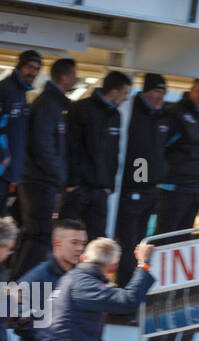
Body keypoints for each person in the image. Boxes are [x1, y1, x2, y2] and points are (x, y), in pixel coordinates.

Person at [24, 237, 153, 341]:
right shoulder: (84, 284)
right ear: (113, 268)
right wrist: (144, 265)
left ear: (83, 257)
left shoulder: (70, 279)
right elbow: (128, 301)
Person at [13, 58, 76, 279]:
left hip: (40, 179)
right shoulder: (48, 105)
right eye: (74, 74)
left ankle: (18, 282)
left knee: (33, 233)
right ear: (64, 77)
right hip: (38, 180)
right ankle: (20, 284)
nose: (77, 79)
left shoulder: (54, 104)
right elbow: (42, 146)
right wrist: (58, 175)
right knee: (38, 234)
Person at [114, 74, 170, 286]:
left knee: (141, 243)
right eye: (156, 91)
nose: (160, 97)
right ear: (146, 92)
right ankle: (125, 287)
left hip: (149, 191)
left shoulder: (161, 117)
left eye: (163, 93)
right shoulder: (133, 113)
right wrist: (141, 182)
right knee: (129, 243)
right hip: (134, 190)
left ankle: (133, 288)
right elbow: (139, 155)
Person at [60, 70, 130, 241]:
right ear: (114, 92)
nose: (126, 98)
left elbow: (114, 152)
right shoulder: (81, 109)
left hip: (101, 189)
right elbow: (70, 147)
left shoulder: (116, 116)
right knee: (69, 237)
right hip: (79, 187)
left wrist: (110, 185)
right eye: (125, 93)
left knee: (97, 240)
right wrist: (72, 182)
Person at [0, 49, 40, 220]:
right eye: (30, 67)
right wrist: (2, 156)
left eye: (36, 69)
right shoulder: (4, 89)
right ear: (20, 66)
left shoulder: (20, 93)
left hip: (4, 174)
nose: (33, 72)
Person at [14, 219, 87, 341]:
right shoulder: (38, 277)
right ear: (57, 243)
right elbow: (21, 321)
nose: (80, 248)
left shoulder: (81, 277)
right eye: (74, 243)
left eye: (83, 244)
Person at [158, 79, 199, 233]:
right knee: (166, 236)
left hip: (194, 189)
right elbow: (154, 149)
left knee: (183, 238)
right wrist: (144, 179)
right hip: (173, 188)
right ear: (192, 89)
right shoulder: (175, 114)